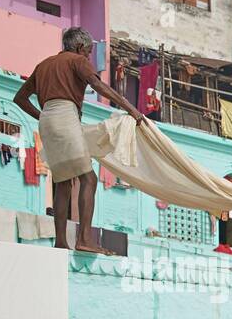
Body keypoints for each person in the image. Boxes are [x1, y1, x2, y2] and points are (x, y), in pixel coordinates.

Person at [13, 28, 145, 253]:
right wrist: (132, 109)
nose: (89, 57)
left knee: (63, 182)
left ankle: (61, 242)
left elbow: (20, 98)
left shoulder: (44, 65)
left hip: (47, 122)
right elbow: (99, 86)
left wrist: (43, 116)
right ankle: (84, 239)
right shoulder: (78, 61)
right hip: (65, 116)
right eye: (89, 52)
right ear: (80, 47)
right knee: (89, 179)